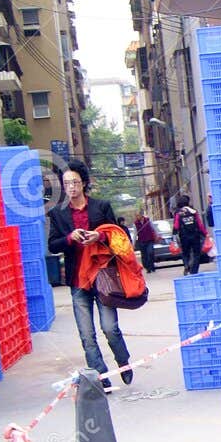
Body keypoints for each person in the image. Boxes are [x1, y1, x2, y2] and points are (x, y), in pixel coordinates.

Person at [48, 163, 133, 388]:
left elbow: (120, 237)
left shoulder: (101, 207)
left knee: (109, 327)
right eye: (66, 183)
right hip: (78, 280)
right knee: (87, 334)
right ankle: (101, 377)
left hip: (103, 276)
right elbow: (53, 245)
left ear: (84, 183)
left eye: (75, 182)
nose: (71, 187)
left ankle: (123, 361)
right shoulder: (58, 213)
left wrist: (99, 236)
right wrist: (69, 238)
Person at [173, 194, 205, 275]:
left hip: (184, 236)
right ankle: (194, 270)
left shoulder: (178, 213)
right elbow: (199, 224)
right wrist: (205, 233)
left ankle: (186, 264)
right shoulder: (193, 211)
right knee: (196, 253)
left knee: (185, 252)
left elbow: (176, 226)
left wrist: (174, 235)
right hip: (195, 235)